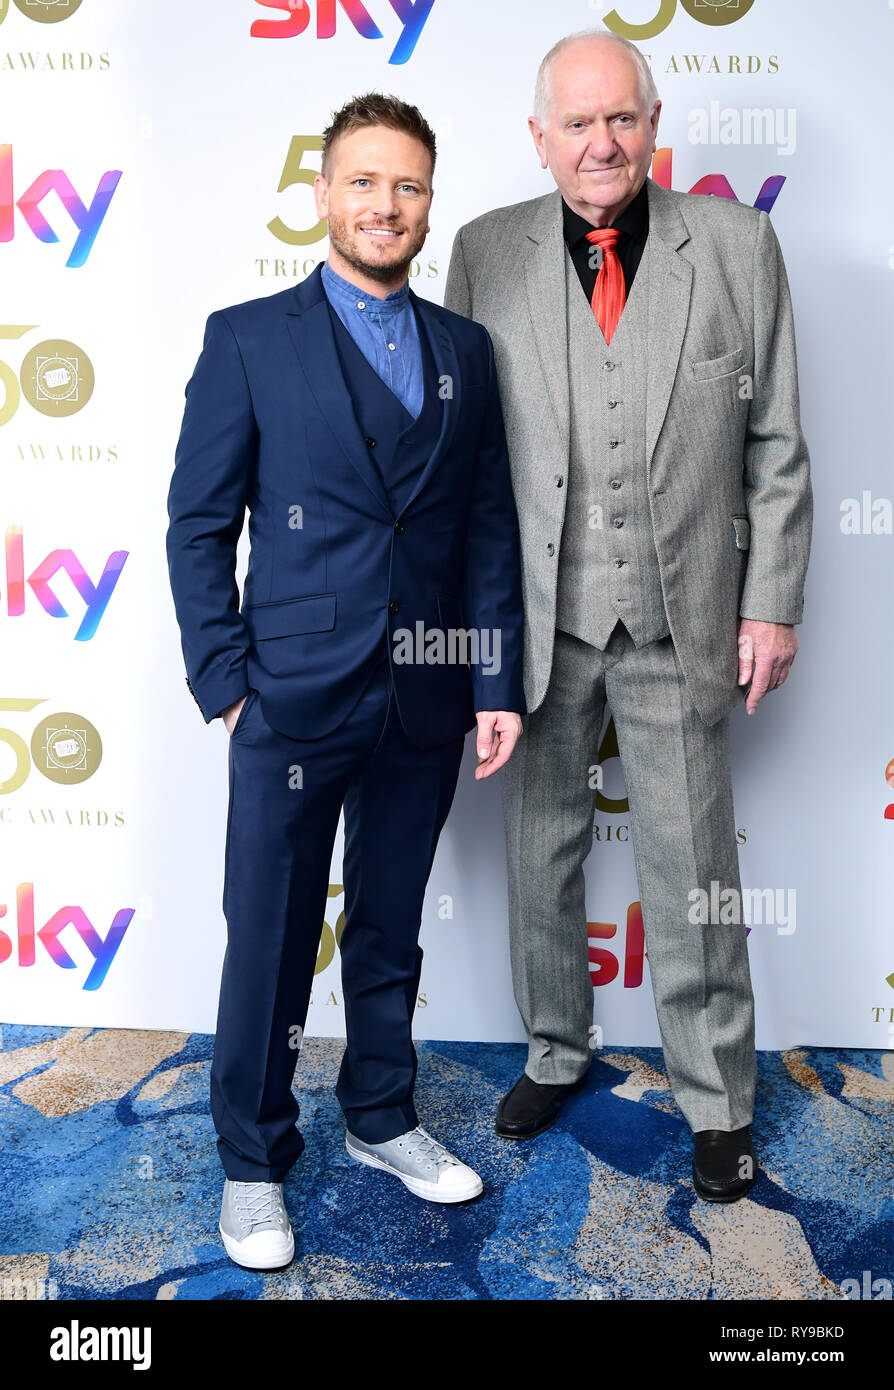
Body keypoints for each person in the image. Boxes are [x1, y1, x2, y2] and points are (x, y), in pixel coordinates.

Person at [445, 30, 812, 1201]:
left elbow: (777, 445)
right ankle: (555, 1049)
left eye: (622, 119)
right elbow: (457, 459)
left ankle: (719, 1100)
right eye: (577, 122)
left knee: (694, 864)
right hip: (540, 618)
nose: (601, 142)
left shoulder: (741, 246)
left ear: (654, 126)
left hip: (680, 612)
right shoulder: (484, 251)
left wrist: (771, 604)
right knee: (539, 850)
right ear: (540, 137)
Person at [166, 93, 525, 1269]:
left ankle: (381, 1115)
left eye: (409, 186)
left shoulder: (465, 351)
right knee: (266, 934)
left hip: (423, 694)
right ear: (321, 194)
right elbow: (198, 522)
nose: (386, 205)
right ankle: (253, 1160)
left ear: (431, 203)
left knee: (386, 924)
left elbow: (484, 526)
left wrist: (493, 677)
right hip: (288, 700)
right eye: (364, 182)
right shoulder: (247, 338)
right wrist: (226, 680)